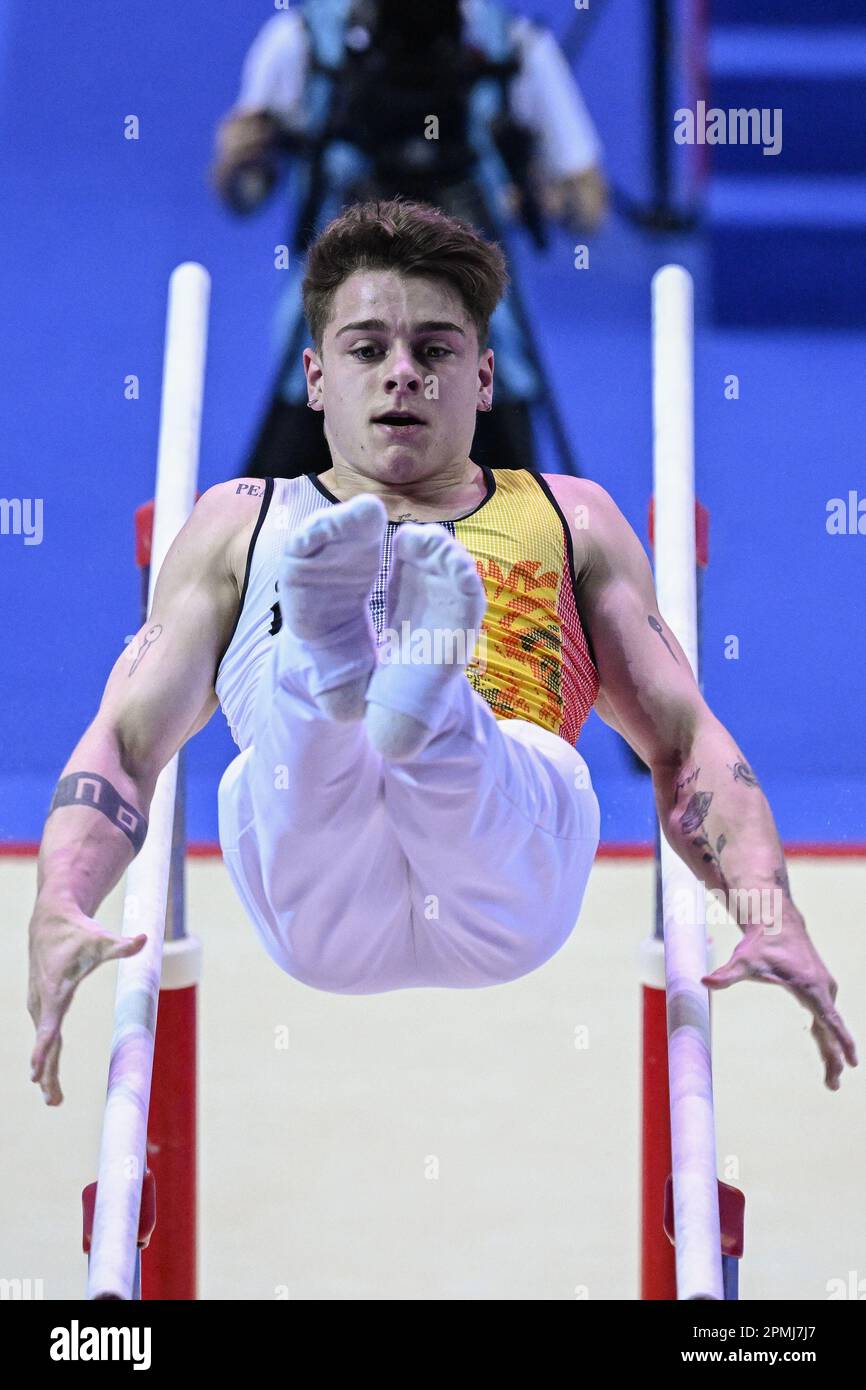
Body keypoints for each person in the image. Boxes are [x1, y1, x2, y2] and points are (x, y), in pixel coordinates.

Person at [29, 199, 856, 1107]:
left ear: (485, 378)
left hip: (503, 888)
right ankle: (352, 676)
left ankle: (407, 693)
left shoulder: (569, 515)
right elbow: (127, 741)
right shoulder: (240, 519)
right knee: (289, 766)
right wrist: (60, 906)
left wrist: (769, 914)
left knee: (517, 765)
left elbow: (684, 741)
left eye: (434, 350)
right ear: (313, 376)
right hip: (319, 893)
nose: (402, 375)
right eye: (366, 349)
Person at [210, 0, 608, 475]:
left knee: (521, 541)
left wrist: (545, 193)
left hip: (481, 357)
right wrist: (242, 158)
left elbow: (588, 208)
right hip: (330, 353)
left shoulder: (517, 52)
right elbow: (244, 195)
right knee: (275, 536)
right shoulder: (301, 44)